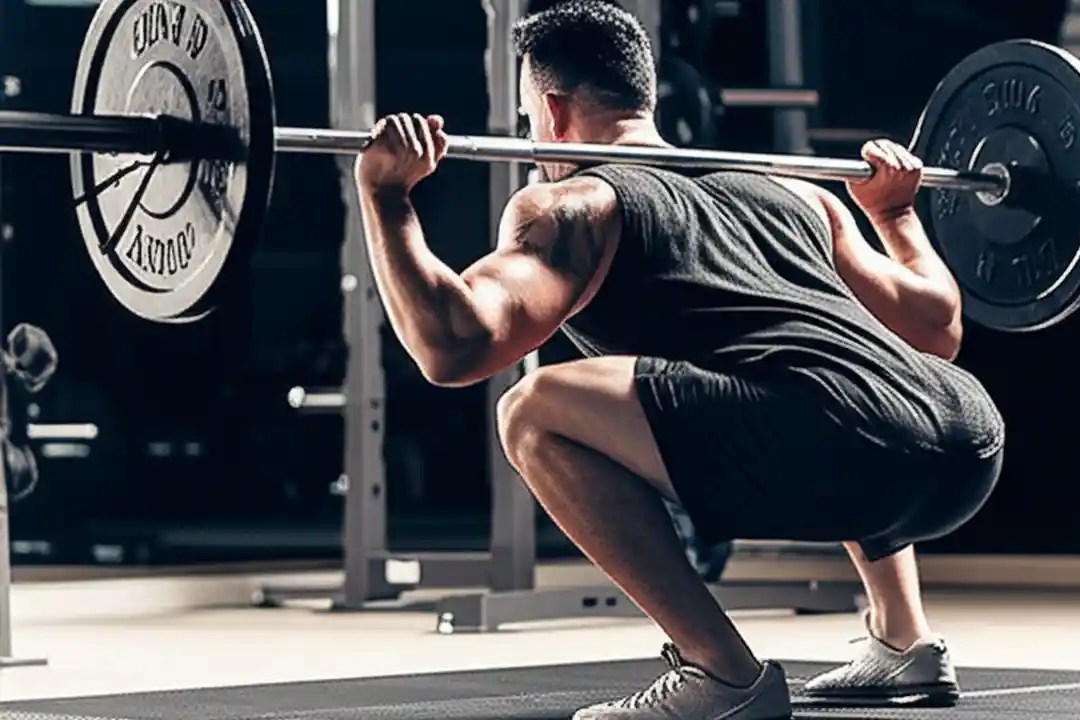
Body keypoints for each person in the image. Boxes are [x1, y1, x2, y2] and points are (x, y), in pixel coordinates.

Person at [353, 2, 1005, 717]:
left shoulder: (570, 205)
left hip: (849, 446)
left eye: (528, 120)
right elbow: (937, 329)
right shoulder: (792, 193)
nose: (533, 140)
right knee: (821, 367)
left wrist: (386, 197)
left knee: (533, 412)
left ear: (554, 109)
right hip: (968, 439)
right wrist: (896, 216)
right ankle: (905, 642)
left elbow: (453, 346)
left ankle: (721, 671)